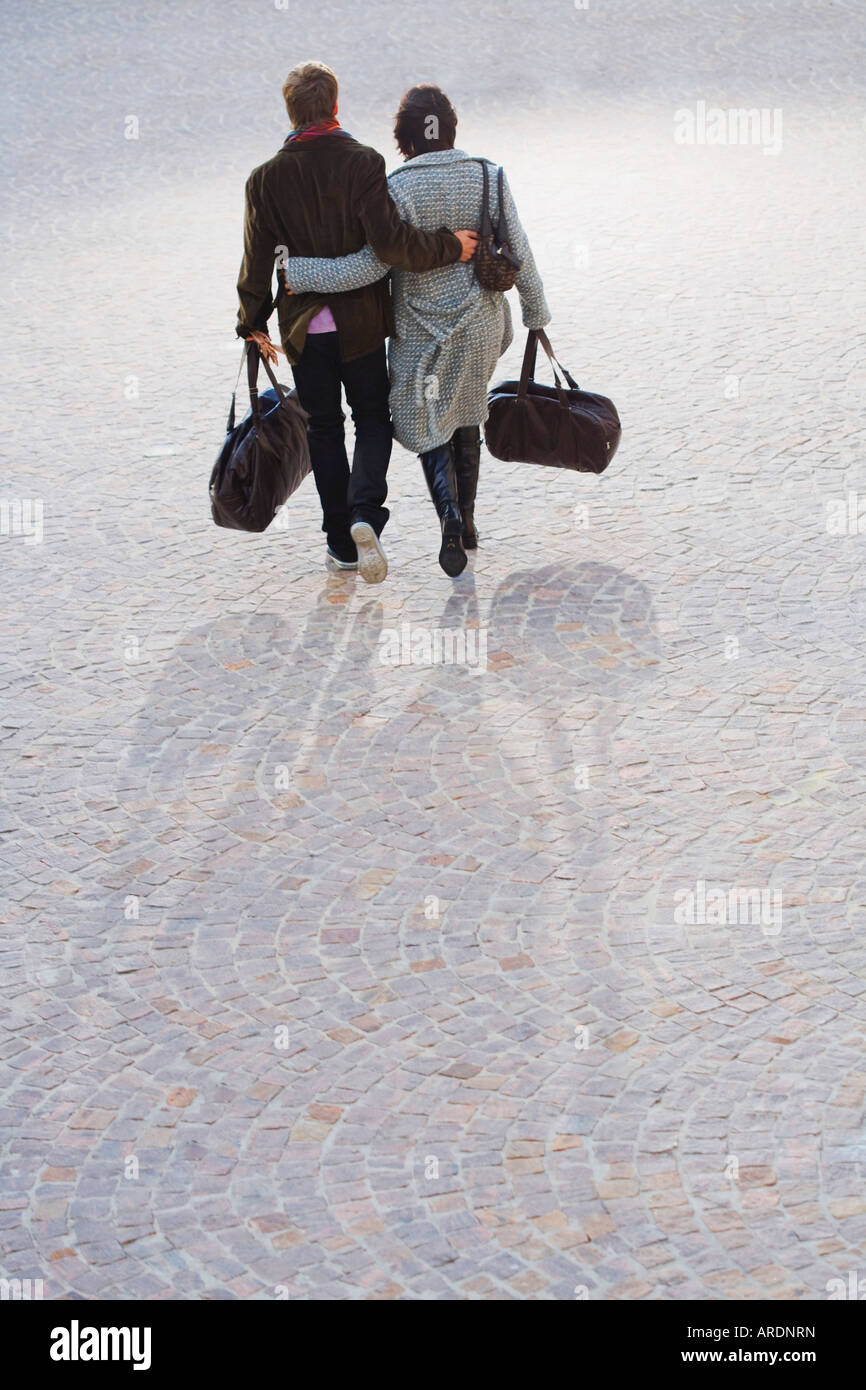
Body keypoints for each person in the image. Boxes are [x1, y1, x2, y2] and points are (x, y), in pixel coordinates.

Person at [280, 84, 550, 576]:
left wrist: (301, 275)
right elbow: (521, 249)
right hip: (481, 327)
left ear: (404, 137)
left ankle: (446, 512)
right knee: (467, 411)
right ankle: (466, 523)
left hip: (419, 334)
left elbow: (370, 265)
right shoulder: (489, 176)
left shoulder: (396, 188)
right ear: (450, 128)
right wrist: (536, 313)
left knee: (422, 422)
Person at [235, 62, 479, 583]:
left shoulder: (264, 179)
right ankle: (366, 512)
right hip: (362, 326)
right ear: (335, 106)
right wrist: (452, 247)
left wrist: (250, 323)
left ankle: (341, 542)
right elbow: (391, 246)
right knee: (372, 418)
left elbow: (257, 262)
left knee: (324, 428)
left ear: (290, 111)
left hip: (305, 330)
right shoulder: (365, 163)